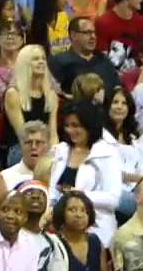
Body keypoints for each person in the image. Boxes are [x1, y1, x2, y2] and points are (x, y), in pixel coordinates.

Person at [47, 101, 123, 244]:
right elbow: (53, 192)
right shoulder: (61, 150)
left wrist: (77, 195)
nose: (70, 130)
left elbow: (113, 199)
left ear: (89, 125)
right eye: (67, 125)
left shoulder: (107, 153)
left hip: (97, 228)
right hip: (62, 226)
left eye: (75, 125)